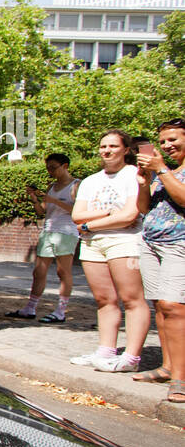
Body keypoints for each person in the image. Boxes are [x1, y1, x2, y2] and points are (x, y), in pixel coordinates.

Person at [68, 129, 149, 371]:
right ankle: (105, 350)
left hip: (124, 242)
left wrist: (89, 224)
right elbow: (76, 215)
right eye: (103, 146)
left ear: (126, 149)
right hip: (93, 244)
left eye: (113, 146)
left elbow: (129, 216)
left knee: (132, 299)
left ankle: (131, 357)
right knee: (104, 300)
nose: (107, 150)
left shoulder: (134, 175)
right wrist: (108, 213)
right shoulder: (91, 181)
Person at [134, 119, 185, 399]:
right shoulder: (164, 173)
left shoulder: (167, 171)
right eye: (163, 141)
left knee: (174, 305)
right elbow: (143, 209)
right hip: (152, 244)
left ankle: (181, 377)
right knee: (161, 307)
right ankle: (167, 367)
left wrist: (162, 170)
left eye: (173, 139)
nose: (167, 146)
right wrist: (144, 184)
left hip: (179, 244)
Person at [8, 153, 80, 323]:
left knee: (63, 272)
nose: (50, 171)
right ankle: (30, 307)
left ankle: (61, 310)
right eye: (48, 168)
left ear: (65, 166)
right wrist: (35, 199)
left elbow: (77, 211)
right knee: (39, 270)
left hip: (66, 232)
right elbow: (42, 211)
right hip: (48, 230)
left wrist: (53, 200)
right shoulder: (51, 187)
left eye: (53, 167)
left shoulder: (76, 185)